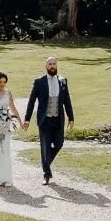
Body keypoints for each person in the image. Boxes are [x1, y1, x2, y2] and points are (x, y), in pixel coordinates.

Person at [25, 56, 74, 185]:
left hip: (58, 119)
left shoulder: (63, 80)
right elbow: (31, 101)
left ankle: (45, 162)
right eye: (50, 64)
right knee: (45, 147)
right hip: (44, 120)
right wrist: (27, 119)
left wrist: (71, 117)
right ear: (46, 66)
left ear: (57, 65)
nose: (52, 66)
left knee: (59, 144)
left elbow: (67, 100)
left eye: (54, 64)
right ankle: (47, 174)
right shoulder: (39, 81)